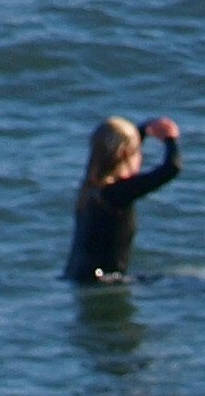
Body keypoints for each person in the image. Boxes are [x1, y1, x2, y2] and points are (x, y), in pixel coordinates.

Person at [63, 115, 181, 285]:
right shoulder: (118, 193)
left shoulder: (91, 189)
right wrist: (171, 139)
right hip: (101, 283)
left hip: (78, 277)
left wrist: (147, 127)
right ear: (125, 154)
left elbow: (120, 144)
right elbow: (172, 168)